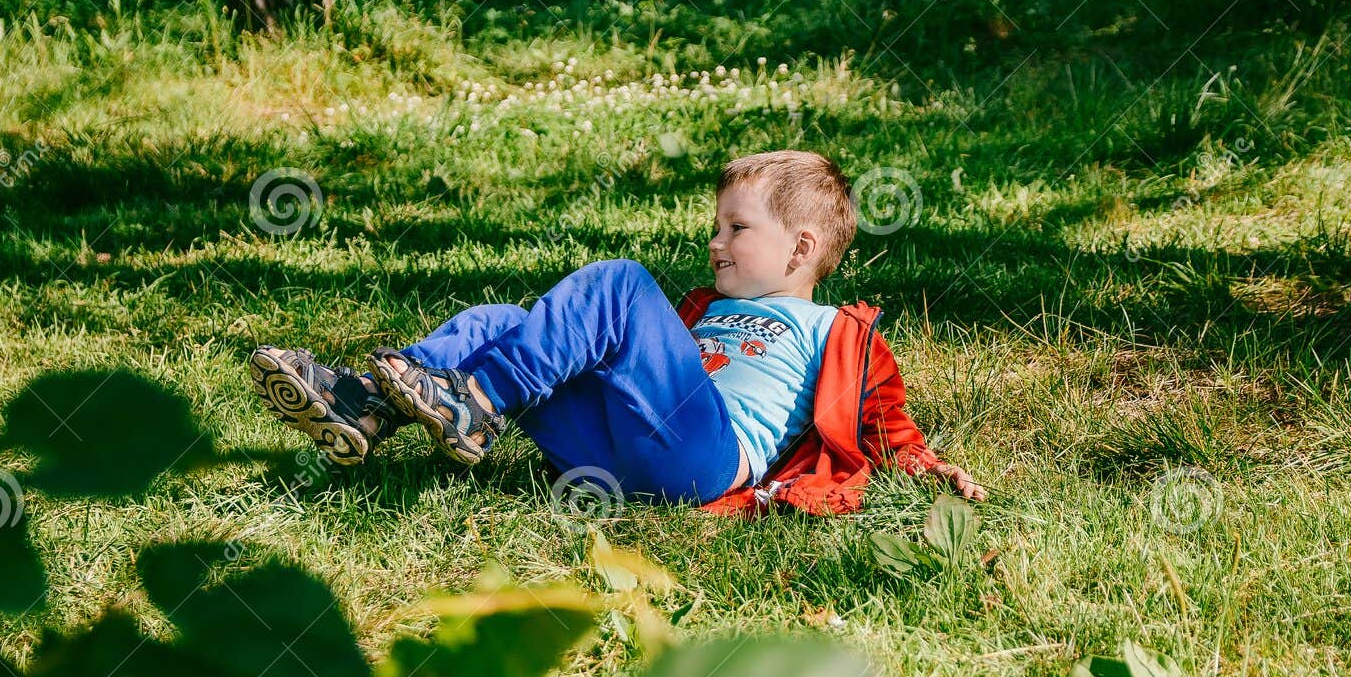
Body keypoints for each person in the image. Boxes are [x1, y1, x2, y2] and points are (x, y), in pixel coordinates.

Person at [249, 150, 986, 517]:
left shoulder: (836, 329)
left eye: (737, 227)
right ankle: (364, 405)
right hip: (617, 461)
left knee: (621, 282)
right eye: (715, 225)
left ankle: (476, 400)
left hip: (704, 458)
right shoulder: (706, 312)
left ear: (799, 248)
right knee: (502, 322)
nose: (717, 242)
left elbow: (887, 425)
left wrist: (933, 471)